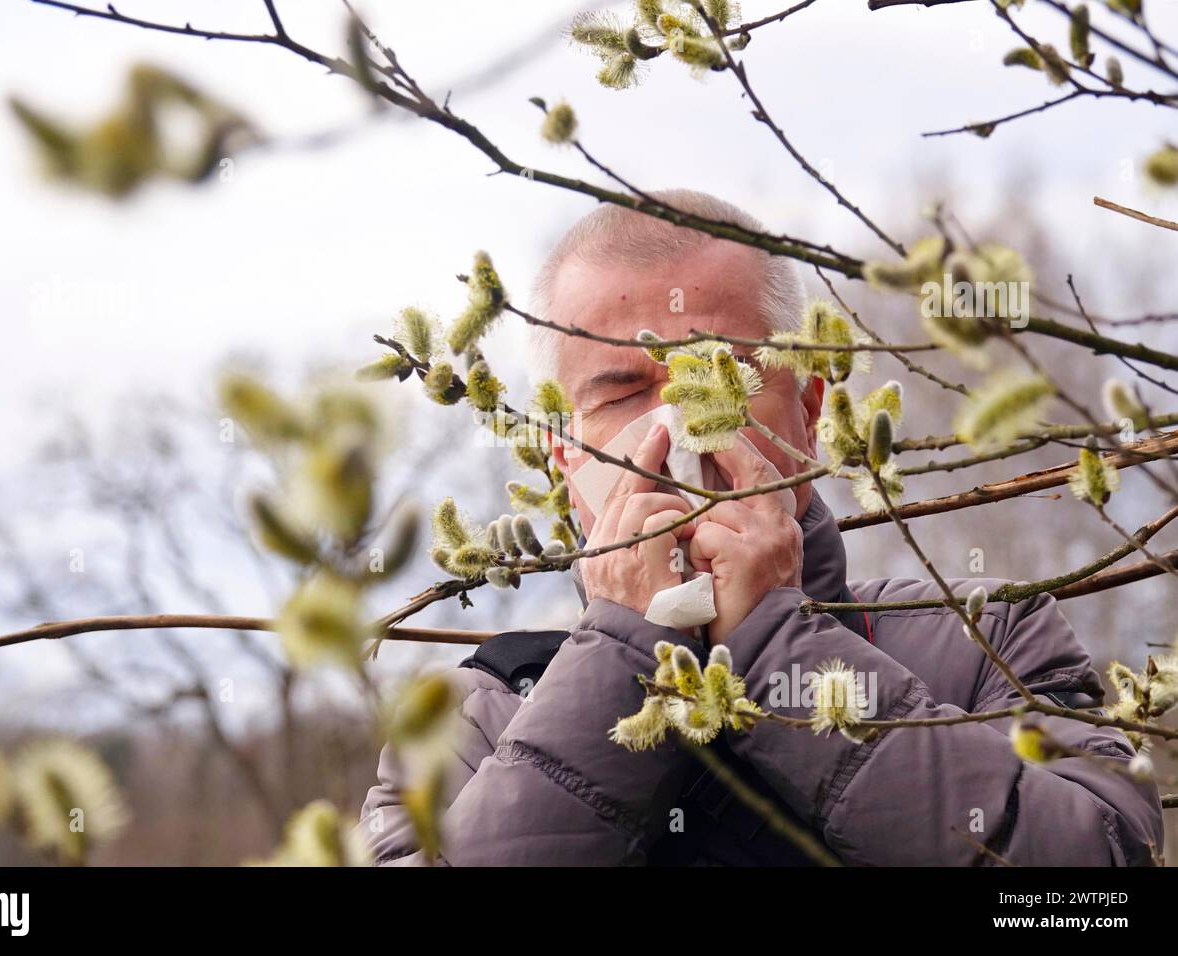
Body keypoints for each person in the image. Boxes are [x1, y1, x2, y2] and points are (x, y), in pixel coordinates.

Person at [358, 190, 1163, 866]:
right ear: (567, 457)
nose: (675, 425)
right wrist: (621, 658)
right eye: (622, 393)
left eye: (722, 376)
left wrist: (784, 653)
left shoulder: (982, 637)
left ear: (808, 416)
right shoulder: (472, 715)